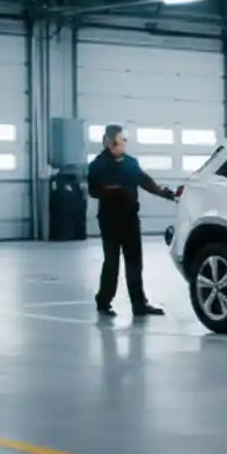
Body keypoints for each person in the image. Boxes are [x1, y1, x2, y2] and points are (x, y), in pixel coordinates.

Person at [87, 125, 176, 317]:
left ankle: (139, 304)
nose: (125, 143)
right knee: (112, 262)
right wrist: (114, 189)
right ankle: (103, 302)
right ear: (111, 144)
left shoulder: (131, 163)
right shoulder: (98, 165)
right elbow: (93, 190)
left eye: (126, 140)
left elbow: (145, 181)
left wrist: (166, 193)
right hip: (110, 220)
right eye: (121, 140)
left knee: (135, 261)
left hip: (130, 219)